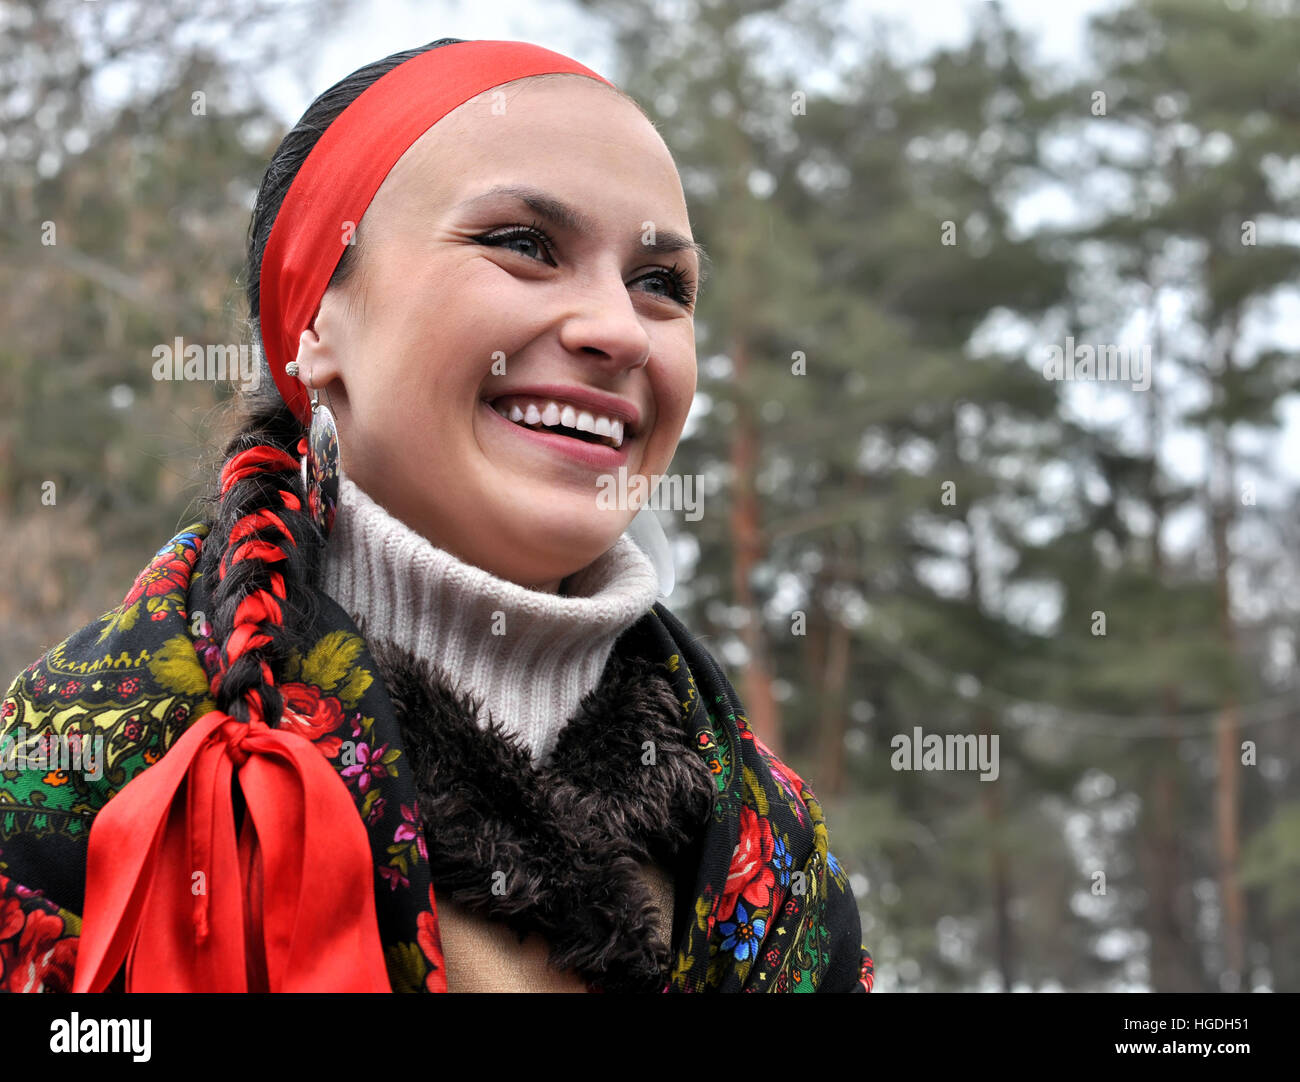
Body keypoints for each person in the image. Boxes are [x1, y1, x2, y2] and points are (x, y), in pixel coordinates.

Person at [0, 38, 873, 994]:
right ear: (317, 326)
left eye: (661, 284)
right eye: (524, 245)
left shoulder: (778, 858)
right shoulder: (73, 778)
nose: (620, 330)